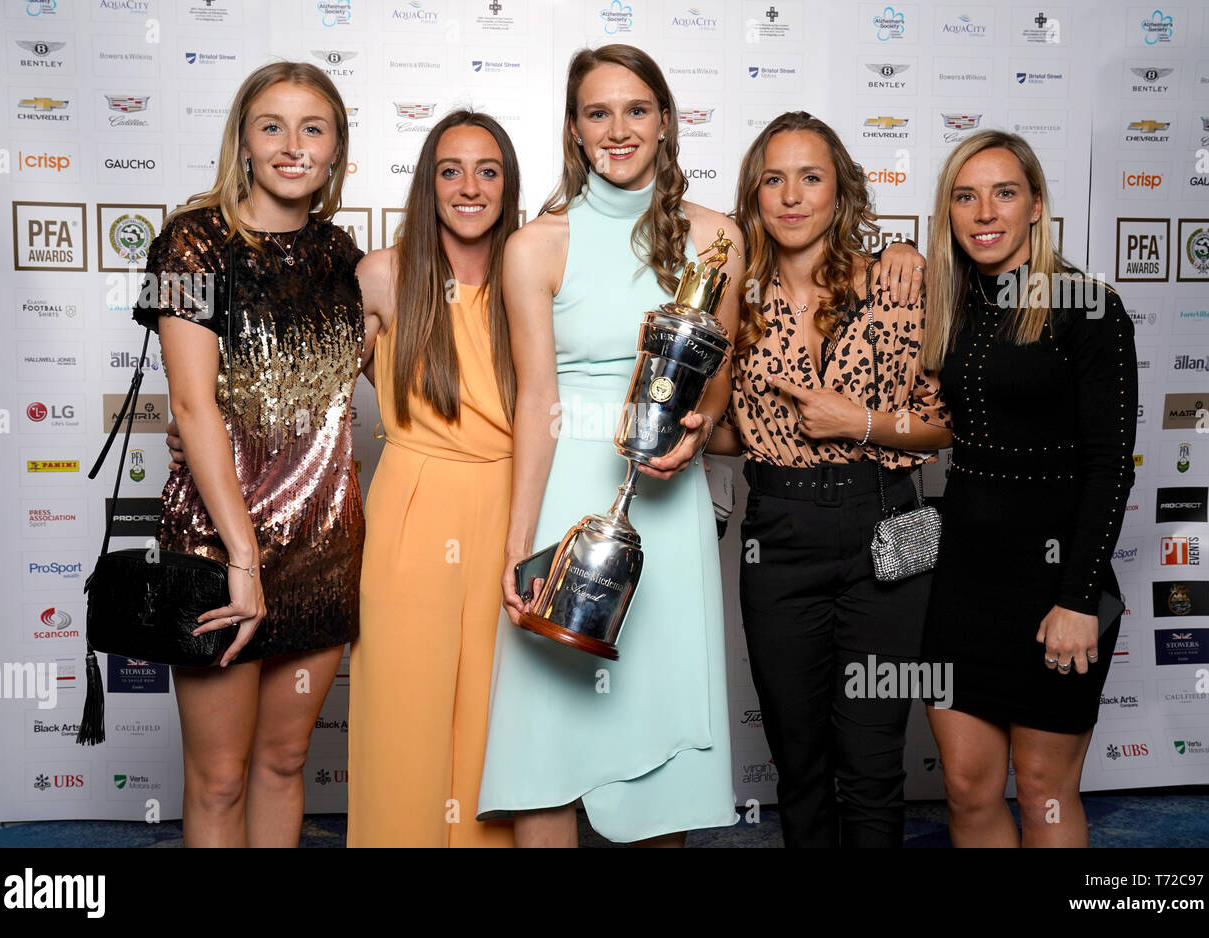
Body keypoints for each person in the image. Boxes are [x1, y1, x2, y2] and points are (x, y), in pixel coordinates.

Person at [476, 44, 743, 847]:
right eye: (598, 112)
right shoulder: (536, 245)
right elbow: (536, 400)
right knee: (544, 741)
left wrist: (696, 436)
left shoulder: (717, 238)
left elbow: (718, 375)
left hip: (668, 508)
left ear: (665, 123)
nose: (618, 129)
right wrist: (522, 545)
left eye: (636, 110)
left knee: (658, 739)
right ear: (574, 128)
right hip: (566, 497)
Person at [134, 61, 367, 847]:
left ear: (337, 151)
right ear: (243, 141)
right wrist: (241, 554)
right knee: (221, 776)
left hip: (321, 549)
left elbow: (381, 375)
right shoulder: (191, 243)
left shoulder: (342, 257)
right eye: (273, 126)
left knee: (283, 761)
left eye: (314, 129)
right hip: (217, 549)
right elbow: (194, 405)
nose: (292, 146)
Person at [708, 111, 950, 847]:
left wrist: (860, 424)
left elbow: (939, 428)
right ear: (753, 195)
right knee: (801, 761)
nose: (791, 196)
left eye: (810, 178)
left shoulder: (897, 285)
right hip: (780, 536)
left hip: (894, 526)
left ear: (839, 192)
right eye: (773, 180)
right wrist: (689, 435)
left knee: (874, 763)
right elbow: (731, 428)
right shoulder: (733, 297)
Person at [919, 131, 1136, 847]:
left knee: (1044, 791)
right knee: (965, 788)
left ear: (1036, 205)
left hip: (1059, 588)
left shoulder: (1089, 309)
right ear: (947, 211)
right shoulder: (948, 304)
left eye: (1005, 192)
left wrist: (1077, 601)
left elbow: (1110, 466)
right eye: (965, 195)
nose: (985, 211)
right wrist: (892, 253)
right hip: (964, 582)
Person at [347, 111, 520, 847]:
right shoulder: (384, 275)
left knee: (497, 713)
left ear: (508, 184)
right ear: (428, 183)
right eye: (451, 169)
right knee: (403, 708)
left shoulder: (534, 270)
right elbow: (322, 392)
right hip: (413, 507)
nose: (470, 186)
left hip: (515, 509)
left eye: (488, 170)